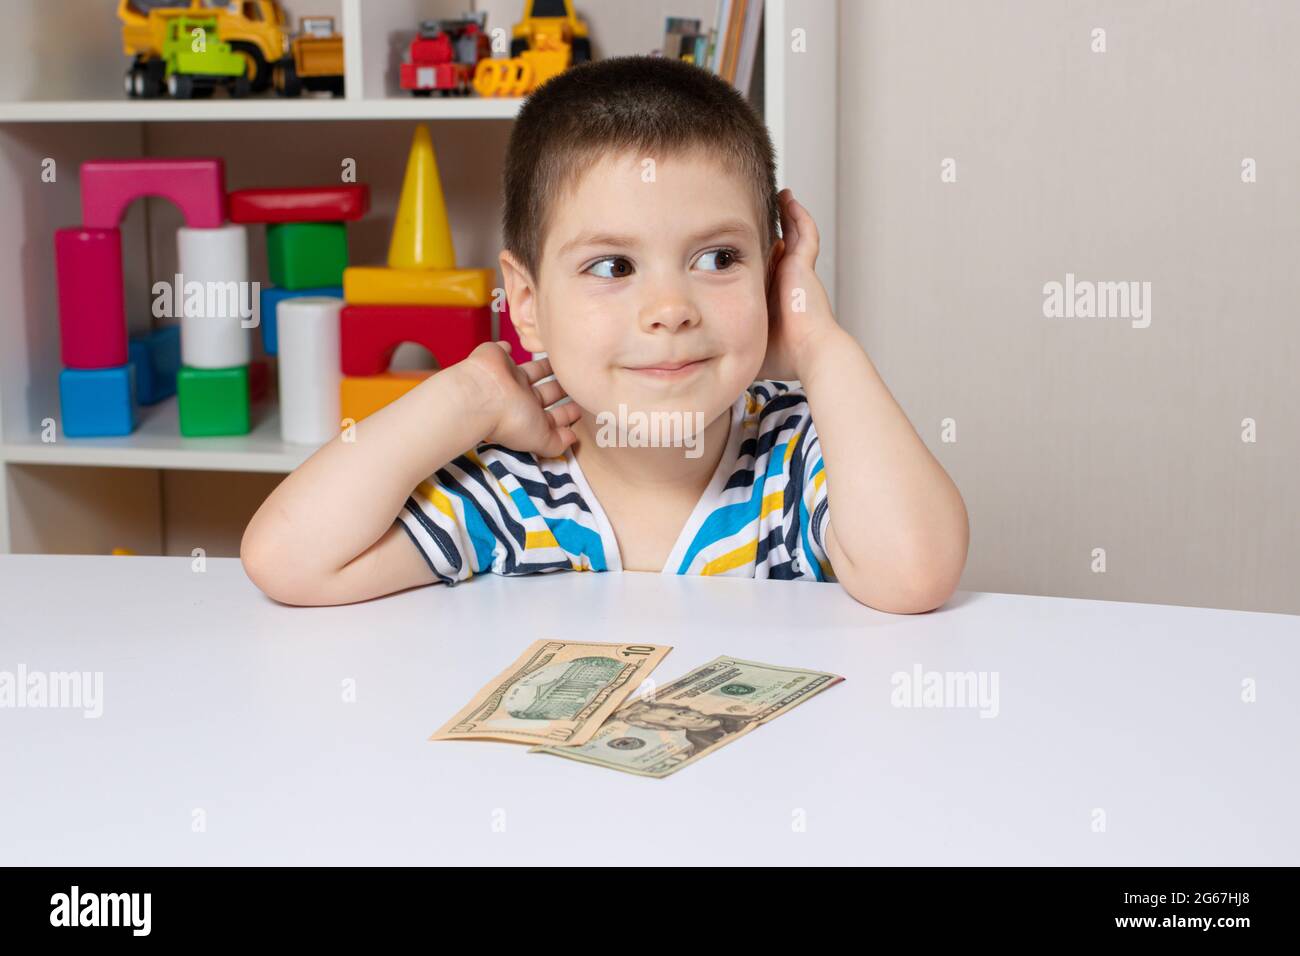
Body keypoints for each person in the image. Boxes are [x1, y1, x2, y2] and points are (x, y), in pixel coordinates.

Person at [241, 56, 969, 612]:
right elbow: (287, 559)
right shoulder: (513, 487)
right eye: (613, 265)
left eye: (719, 259)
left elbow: (917, 571)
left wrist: (818, 343)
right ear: (526, 303)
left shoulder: (798, 458)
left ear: (773, 277)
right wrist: (467, 393)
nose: (669, 308)